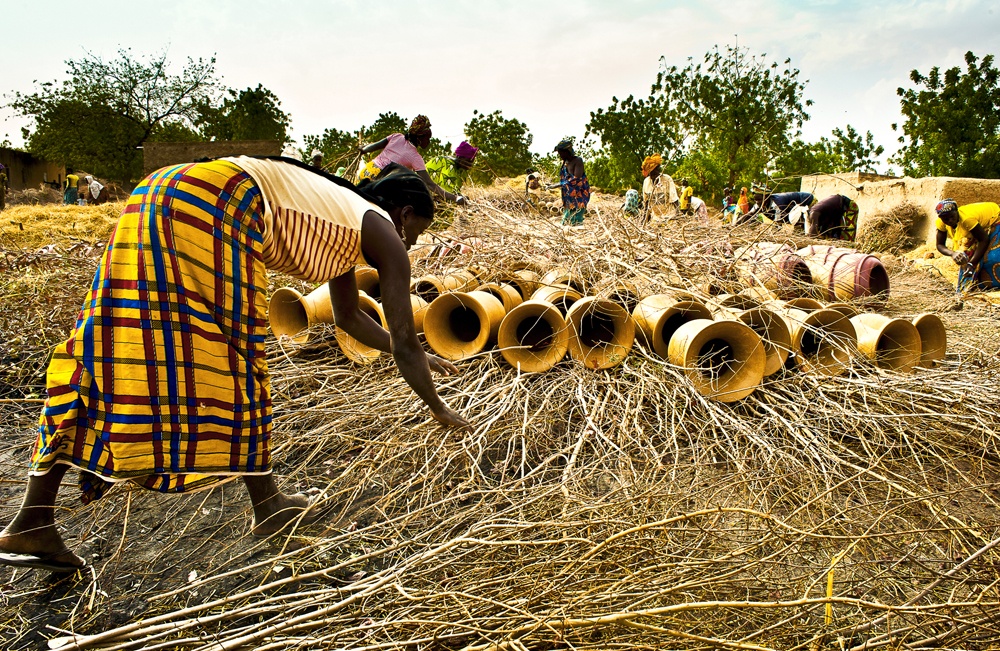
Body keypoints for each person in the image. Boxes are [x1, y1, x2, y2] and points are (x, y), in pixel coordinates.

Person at [0, 157, 470, 573]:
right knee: (236, 355)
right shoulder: (382, 230)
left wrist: (416, 355)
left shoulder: (343, 217)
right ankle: (268, 507)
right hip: (219, 202)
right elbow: (406, 336)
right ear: (404, 214)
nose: (410, 244)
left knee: (102, 346)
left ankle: (32, 517)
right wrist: (437, 406)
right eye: (417, 233)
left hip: (158, 193)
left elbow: (349, 317)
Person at [358, 115, 466, 206]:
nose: (428, 141)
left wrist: (363, 149)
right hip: (379, 181)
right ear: (419, 138)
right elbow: (430, 184)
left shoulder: (396, 136)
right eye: (427, 138)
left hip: (366, 172)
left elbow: (374, 146)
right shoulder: (415, 158)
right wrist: (455, 198)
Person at [934, 199, 1000, 291]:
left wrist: (972, 264)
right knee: (966, 255)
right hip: (978, 227)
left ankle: (993, 286)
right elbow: (940, 245)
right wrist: (952, 253)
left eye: (952, 216)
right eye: (945, 219)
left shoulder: (967, 219)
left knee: (993, 257)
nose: (950, 220)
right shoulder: (941, 222)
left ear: (957, 211)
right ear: (941, 218)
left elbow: (984, 240)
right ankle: (969, 287)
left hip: (996, 217)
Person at [548, 139, 589, 226]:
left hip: (579, 198)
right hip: (569, 198)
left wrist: (556, 185)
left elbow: (576, 179)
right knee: (565, 222)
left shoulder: (578, 161)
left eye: (561, 153)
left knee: (576, 222)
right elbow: (564, 179)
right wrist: (553, 185)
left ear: (567, 151)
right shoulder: (565, 163)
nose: (560, 155)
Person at [641, 154, 678, 222]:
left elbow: (675, 200)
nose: (653, 176)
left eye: (655, 172)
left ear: (659, 171)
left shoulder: (667, 180)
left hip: (669, 217)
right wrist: (644, 220)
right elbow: (647, 204)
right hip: (656, 218)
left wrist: (678, 217)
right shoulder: (646, 183)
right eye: (651, 173)